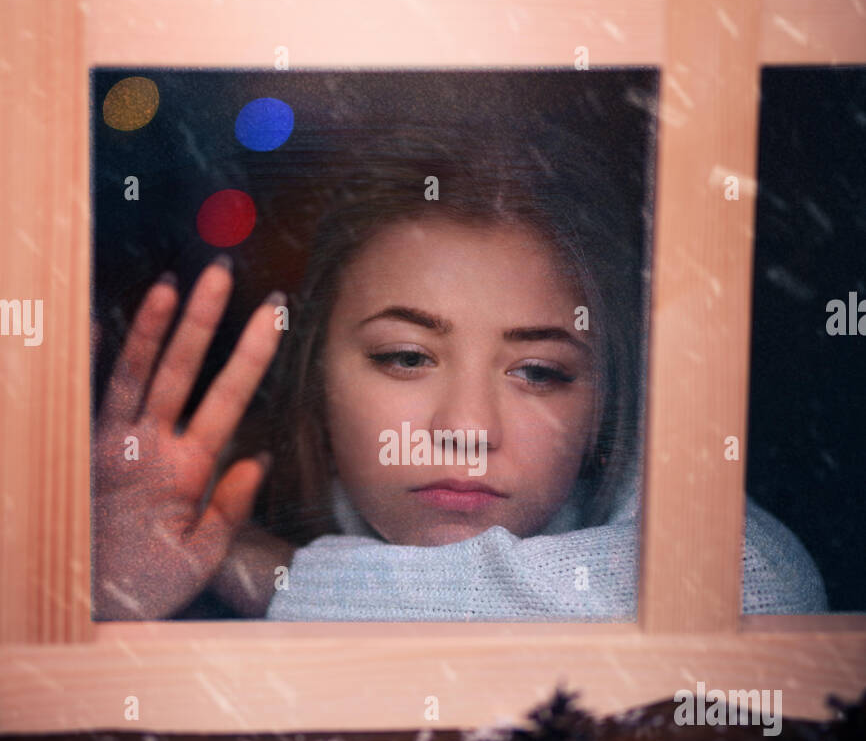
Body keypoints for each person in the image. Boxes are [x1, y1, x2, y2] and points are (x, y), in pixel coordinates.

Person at [92, 129, 827, 621]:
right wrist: (100, 600)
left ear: (607, 403)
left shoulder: (652, 506)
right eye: (407, 358)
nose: (467, 431)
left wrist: (268, 572)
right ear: (316, 372)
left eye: (539, 372)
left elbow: (756, 583)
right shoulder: (187, 499)